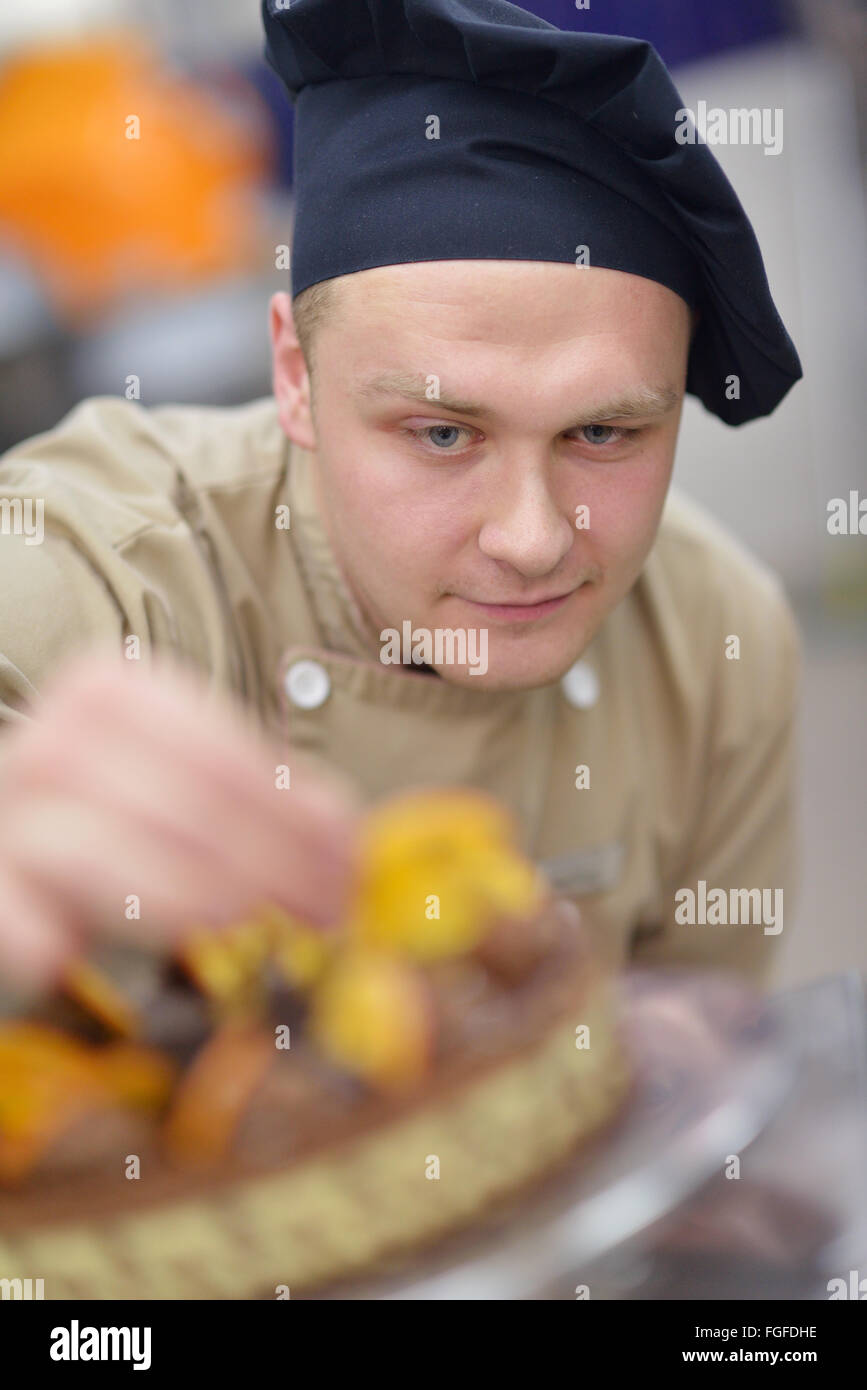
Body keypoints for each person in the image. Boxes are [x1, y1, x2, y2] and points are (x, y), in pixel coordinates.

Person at [0, 0, 803, 993]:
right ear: (294, 375)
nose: (531, 539)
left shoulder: (721, 649)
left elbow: (701, 1082)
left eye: (602, 433)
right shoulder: (91, 579)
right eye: (441, 434)